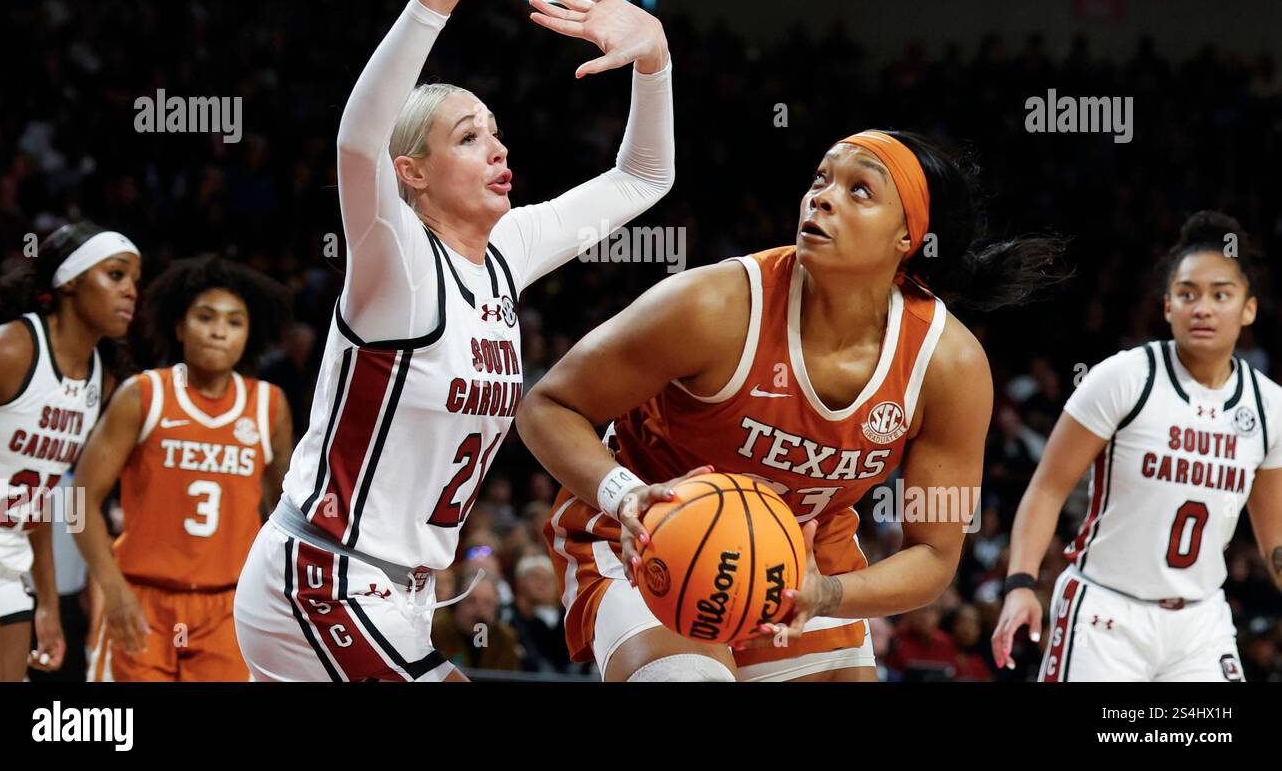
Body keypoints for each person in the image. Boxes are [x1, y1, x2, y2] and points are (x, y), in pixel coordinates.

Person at [233, 0, 675, 682]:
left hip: (399, 594)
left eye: (498, 133)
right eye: (469, 137)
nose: (498, 147)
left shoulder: (505, 255)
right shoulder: (395, 261)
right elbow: (357, 139)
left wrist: (654, 59)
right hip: (320, 579)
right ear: (414, 174)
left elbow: (645, 176)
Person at [518, 130, 1064, 681]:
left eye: (860, 191)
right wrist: (623, 495)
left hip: (802, 555)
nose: (822, 197)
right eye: (820, 180)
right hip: (648, 529)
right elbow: (548, 405)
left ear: (908, 236)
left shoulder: (949, 366)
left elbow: (935, 555)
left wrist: (828, 593)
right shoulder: (714, 307)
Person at [992, 211, 1282, 681]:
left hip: (1200, 622)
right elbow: (1047, 488)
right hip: (1105, 612)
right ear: (1167, 307)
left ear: (1248, 309)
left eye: (1220, 295)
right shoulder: (1124, 377)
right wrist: (1020, 584)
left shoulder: (1270, 407)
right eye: (1187, 294)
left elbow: (1276, 539)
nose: (1202, 308)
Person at [75, 254, 293, 681]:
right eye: (205, 317)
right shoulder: (144, 395)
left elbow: (286, 514)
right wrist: (111, 588)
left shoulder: (270, 405)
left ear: (248, 337)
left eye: (234, 322)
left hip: (229, 608)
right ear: (179, 327)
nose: (218, 331)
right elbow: (76, 497)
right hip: (142, 602)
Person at [0, 222, 140, 680]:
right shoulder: (7, 351)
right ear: (70, 280)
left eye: (135, 280)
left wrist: (48, 602)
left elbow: (50, 497)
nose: (130, 291)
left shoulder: (99, 380)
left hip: (11, 557)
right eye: (116, 275)